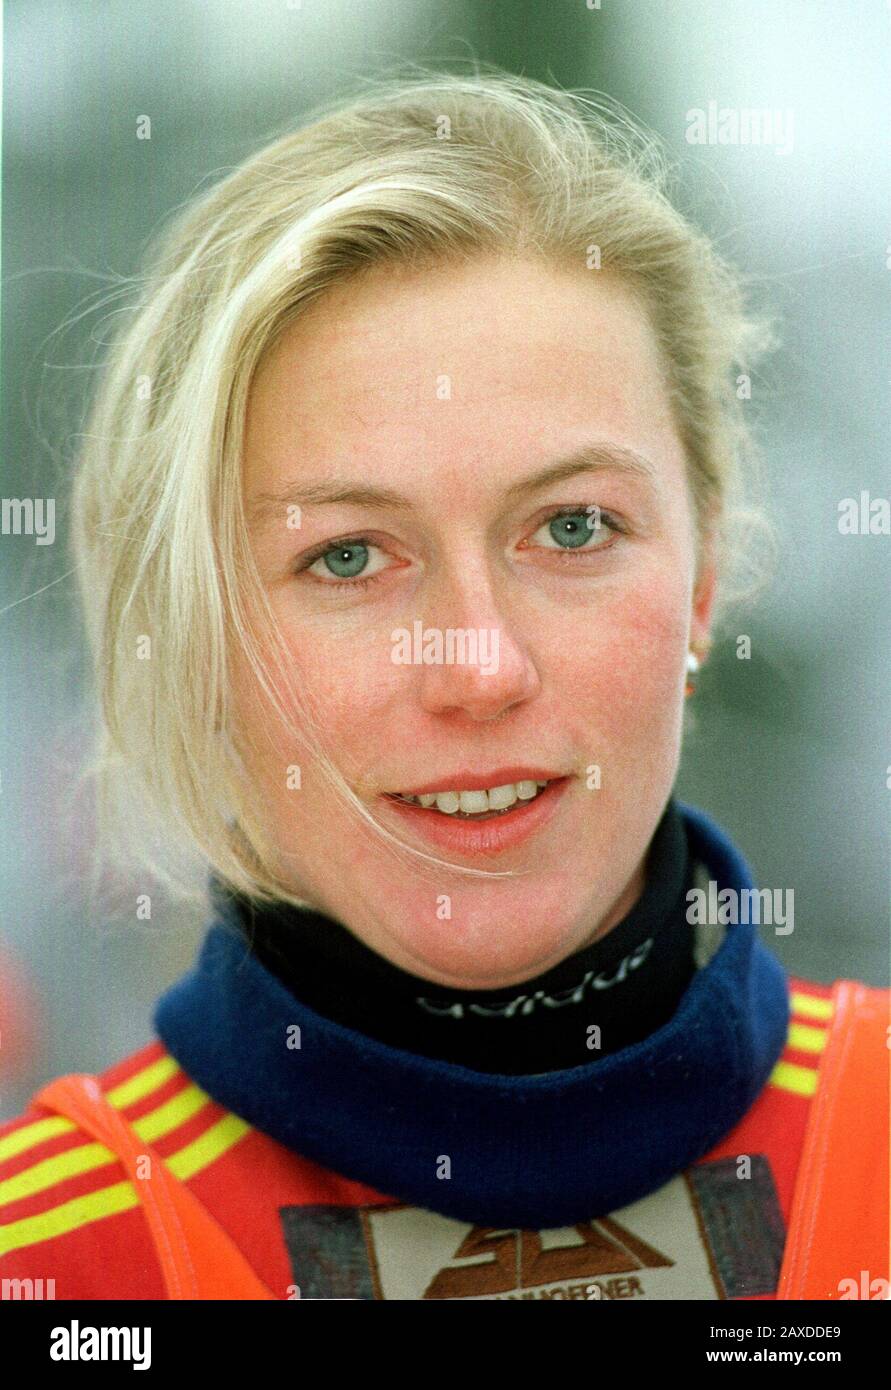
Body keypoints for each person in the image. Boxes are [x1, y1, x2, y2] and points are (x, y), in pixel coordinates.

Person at [1, 69, 887, 1304]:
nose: (477, 665)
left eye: (573, 528)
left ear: (704, 576)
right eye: (347, 555)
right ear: (195, 635)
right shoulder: (48, 1259)